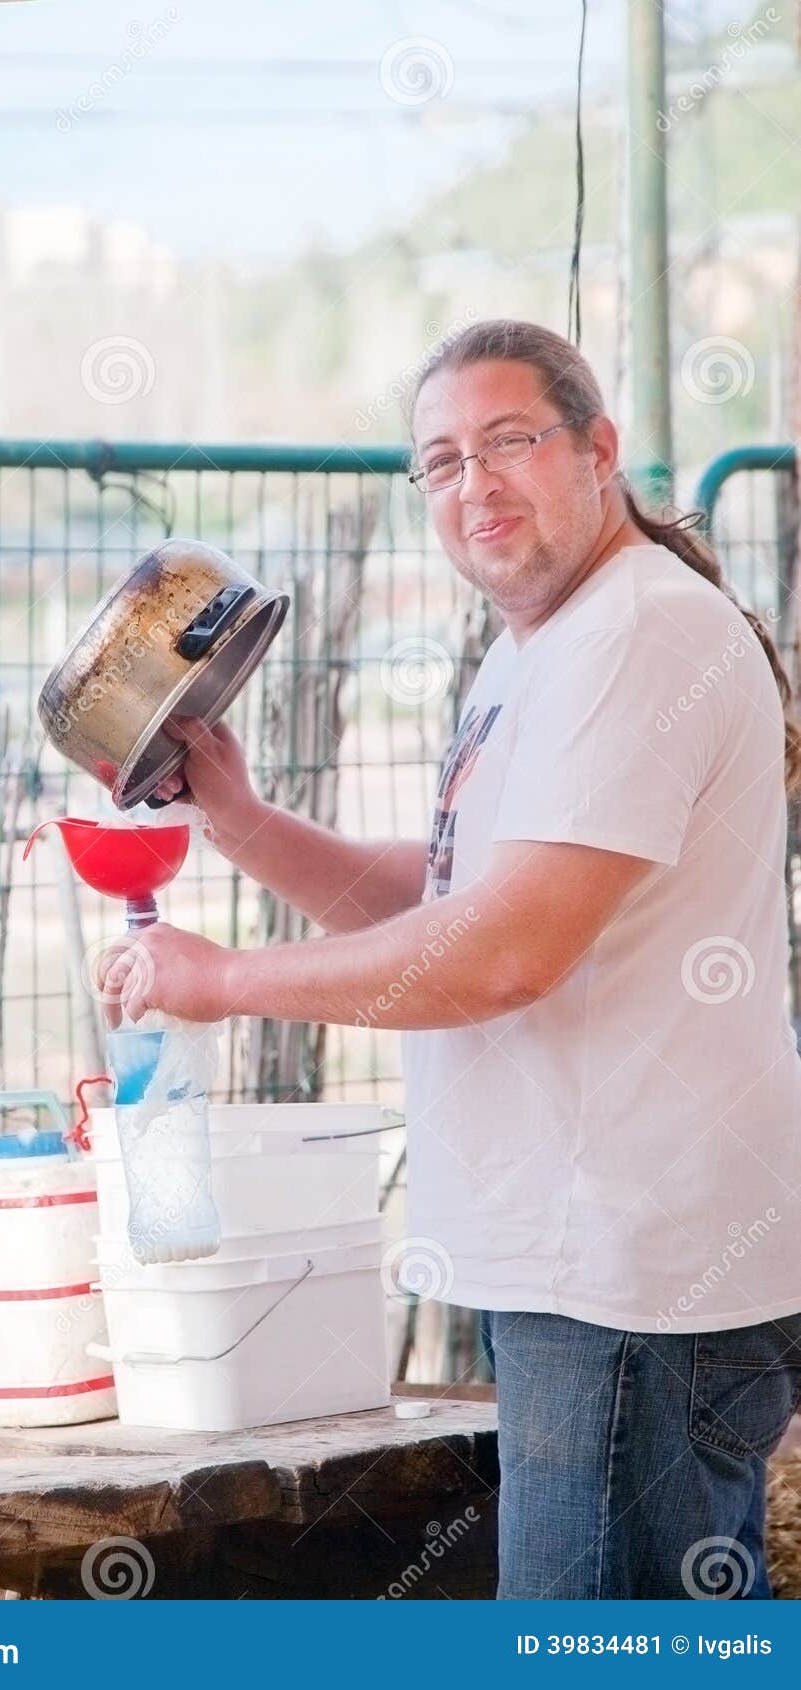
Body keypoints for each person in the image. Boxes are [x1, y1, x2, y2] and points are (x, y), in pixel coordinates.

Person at [96, 318, 801, 1599]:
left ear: (598, 451)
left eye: (507, 442)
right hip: (590, 1272)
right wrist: (243, 824)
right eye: (439, 462)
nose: (472, 485)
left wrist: (221, 982)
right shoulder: (539, 646)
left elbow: (500, 954)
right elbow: (442, 907)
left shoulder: (636, 634)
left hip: (637, 1285)